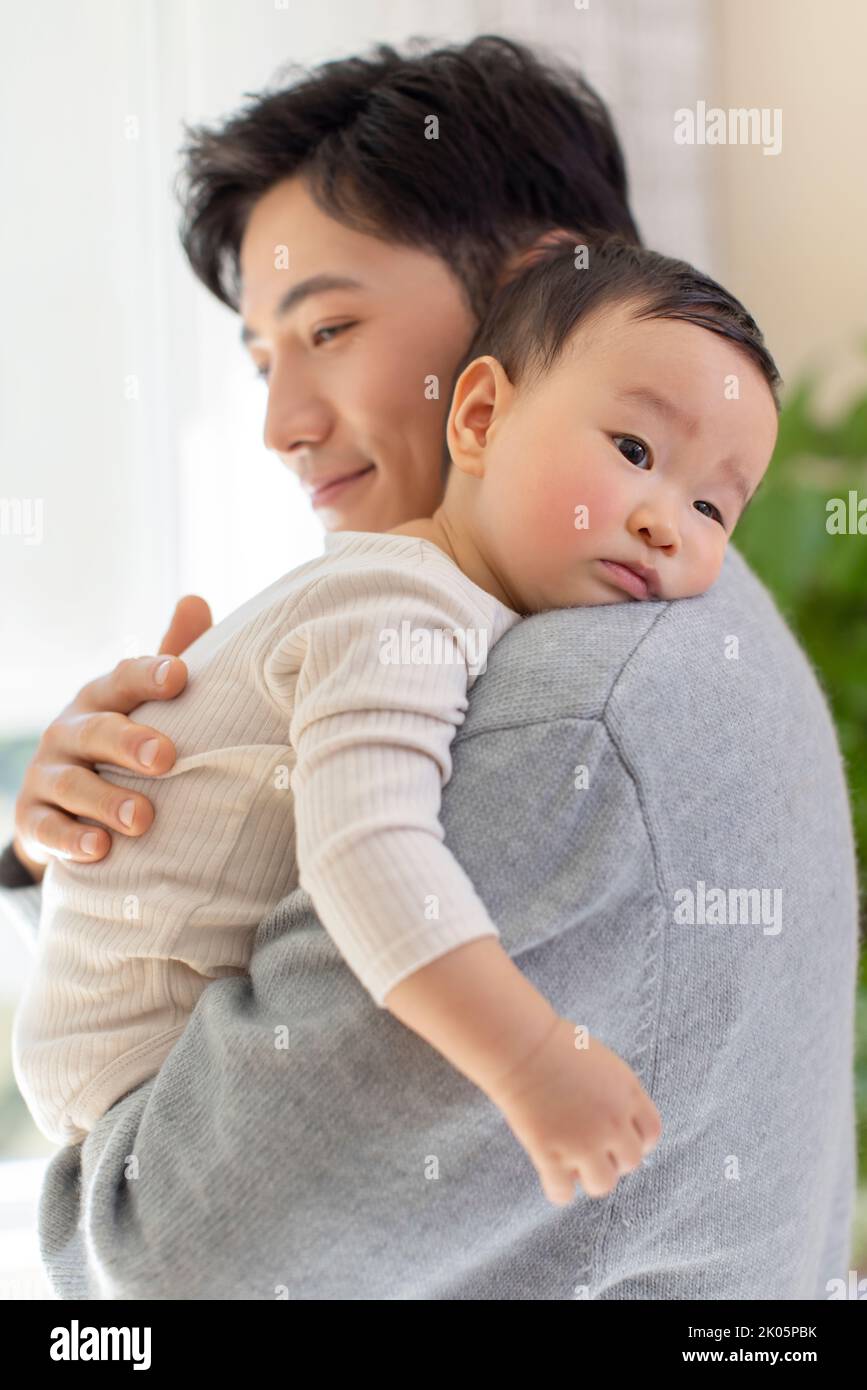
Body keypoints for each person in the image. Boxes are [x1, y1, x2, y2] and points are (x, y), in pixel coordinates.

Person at [2, 37, 858, 1300]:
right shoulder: (653, 612)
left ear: (544, 289)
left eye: (330, 328)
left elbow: (171, 1263)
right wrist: (89, 841)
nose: (280, 421)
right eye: (260, 361)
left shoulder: (570, 717)